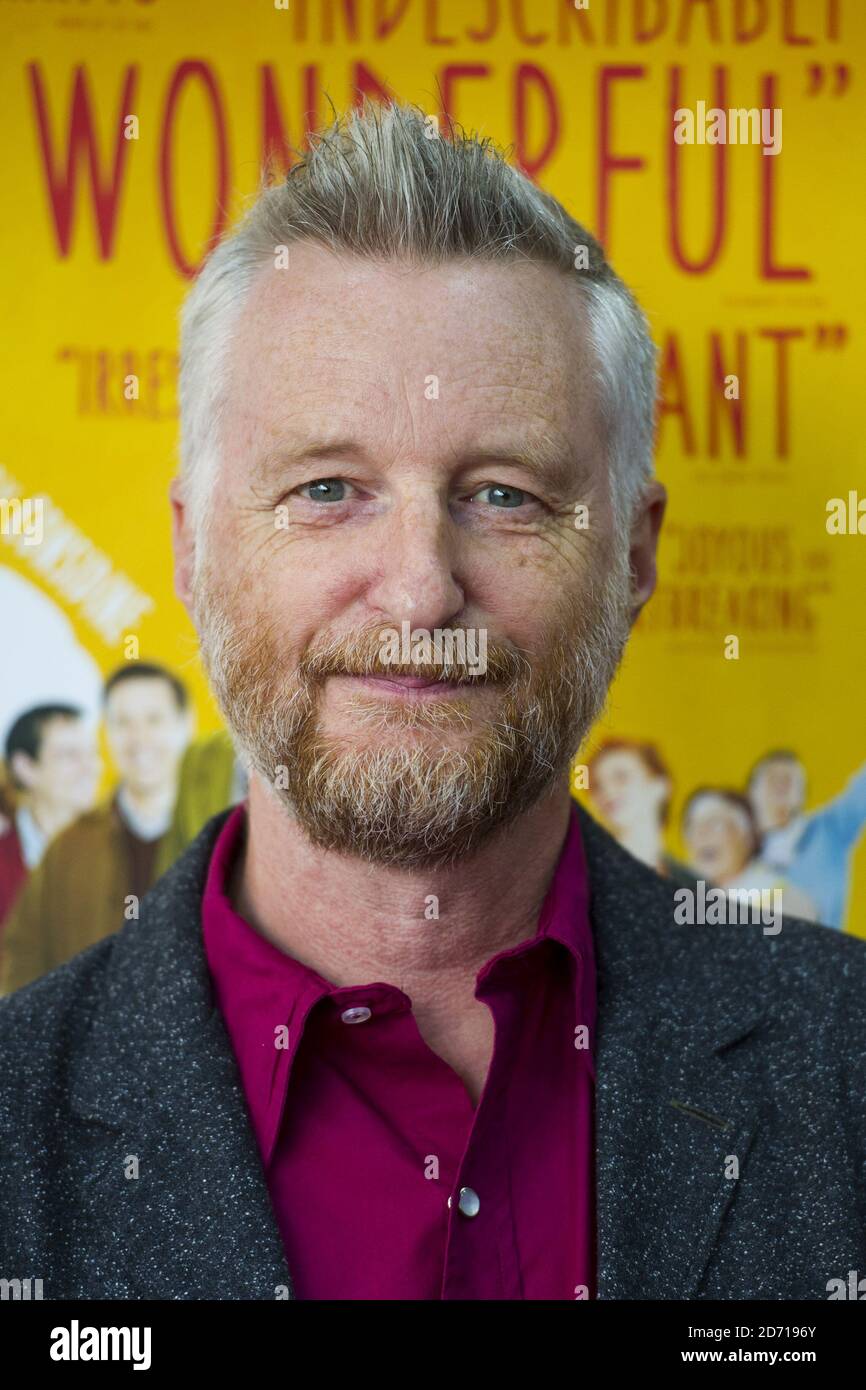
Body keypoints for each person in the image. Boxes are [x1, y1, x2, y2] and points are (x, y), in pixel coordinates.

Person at [1, 100, 864, 1302]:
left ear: (631, 556)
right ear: (192, 553)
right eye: (326, 487)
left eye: (504, 496)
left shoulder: (846, 1062)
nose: (417, 589)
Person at [0, 663, 192, 991]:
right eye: (123, 723)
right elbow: (22, 964)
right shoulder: (68, 847)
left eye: (154, 720)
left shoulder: (220, 832)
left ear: (185, 726)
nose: (139, 738)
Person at [0, 704, 100, 931]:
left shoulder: (123, 850)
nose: (90, 767)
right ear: (25, 768)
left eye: (93, 753)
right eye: (70, 755)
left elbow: (134, 921)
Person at [748, 750, 866, 930]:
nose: (781, 784)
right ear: (750, 791)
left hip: (823, 952)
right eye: (772, 778)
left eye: (789, 779)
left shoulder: (829, 830)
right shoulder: (736, 851)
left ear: (802, 793)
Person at [681, 787, 818, 922]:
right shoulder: (684, 904)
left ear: (747, 837)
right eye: (692, 826)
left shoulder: (787, 902)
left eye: (715, 824)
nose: (701, 834)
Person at [587, 738, 695, 884]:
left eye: (621, 777)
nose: (608, 791)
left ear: (660, 786)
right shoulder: (585, 875)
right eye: (597, 786)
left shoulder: (694, 884)